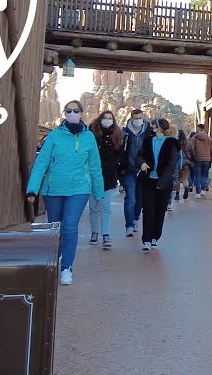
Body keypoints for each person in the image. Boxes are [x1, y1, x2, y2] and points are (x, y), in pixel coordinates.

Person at [25, 101, 103, 286]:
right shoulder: (54, 136)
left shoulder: (89, 138)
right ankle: (56, 257)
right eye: (69, 111)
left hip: (79, 189)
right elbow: (41, 163)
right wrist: (32, 189)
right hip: (54, 190)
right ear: (64, 113)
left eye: (76, 111)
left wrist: (98, 193)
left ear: (82, 113)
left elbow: (94, 167)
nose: (72, 113)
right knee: (55, 228)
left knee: (69, 226)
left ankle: (67, 267)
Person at [139, 117, 181, 251]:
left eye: (154, 125)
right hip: (148, 180)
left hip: (164, 182)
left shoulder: (171, 143)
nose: (152, 127)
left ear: (160, 127)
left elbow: (171, 164)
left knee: (160, 210)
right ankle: (146, 239)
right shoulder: (148, 141)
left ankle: (154, 237)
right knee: (148, 209)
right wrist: (141, 163)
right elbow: (140, 155)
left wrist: (162, 182)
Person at [87, 109, 122, 250]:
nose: (107, 120)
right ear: (100, 119)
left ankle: (106, 234)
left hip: (109, 177)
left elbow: (120, 155)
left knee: (106, 207)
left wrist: (120, 173)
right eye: (105, 118)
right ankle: (94, 233)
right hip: (93, 176)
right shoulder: (92, 135)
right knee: (93, 207)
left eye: (110, 118)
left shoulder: (117, 135)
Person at [119, 109, 150, 237]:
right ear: (131, 119)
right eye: (135, 118)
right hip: (129, 171)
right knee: (130, 198)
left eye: (140, 118)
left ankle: (136, 218)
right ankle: (129, 226)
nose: (138, 120)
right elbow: (120, 151)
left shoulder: (148, 133)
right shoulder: (125, 133)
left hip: (144, 171)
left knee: (140, 199)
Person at [191, 126, 212, 198]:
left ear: (198, 129)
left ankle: (198, 193)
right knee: (204, 175)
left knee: (197, 176)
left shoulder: (194, 138)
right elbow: (211, 150)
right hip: (207, 159)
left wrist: (193, 157)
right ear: (204, 129)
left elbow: (192, 149)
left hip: (197, 159)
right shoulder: (209, 139)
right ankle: (203, 190)